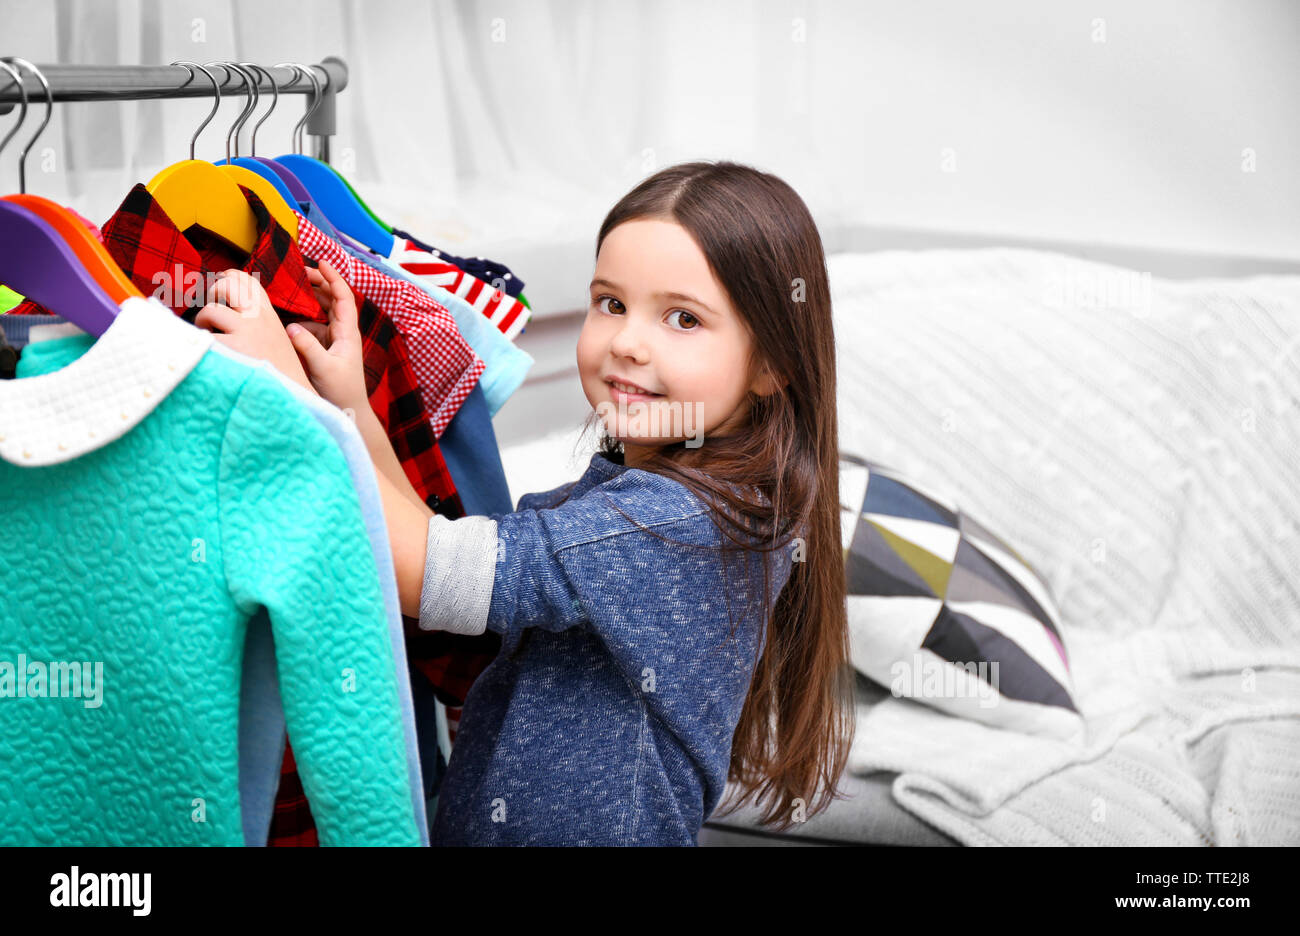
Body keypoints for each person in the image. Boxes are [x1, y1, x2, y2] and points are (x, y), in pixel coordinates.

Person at [205, 160, 854, 845]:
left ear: (771, 364)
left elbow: (426, 572)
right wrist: (355, 411)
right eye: (611, 303)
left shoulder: (679, 524)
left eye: (683, 319)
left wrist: (291, 399)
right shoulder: (659, 492)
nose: (629, 342)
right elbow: (438, 548)